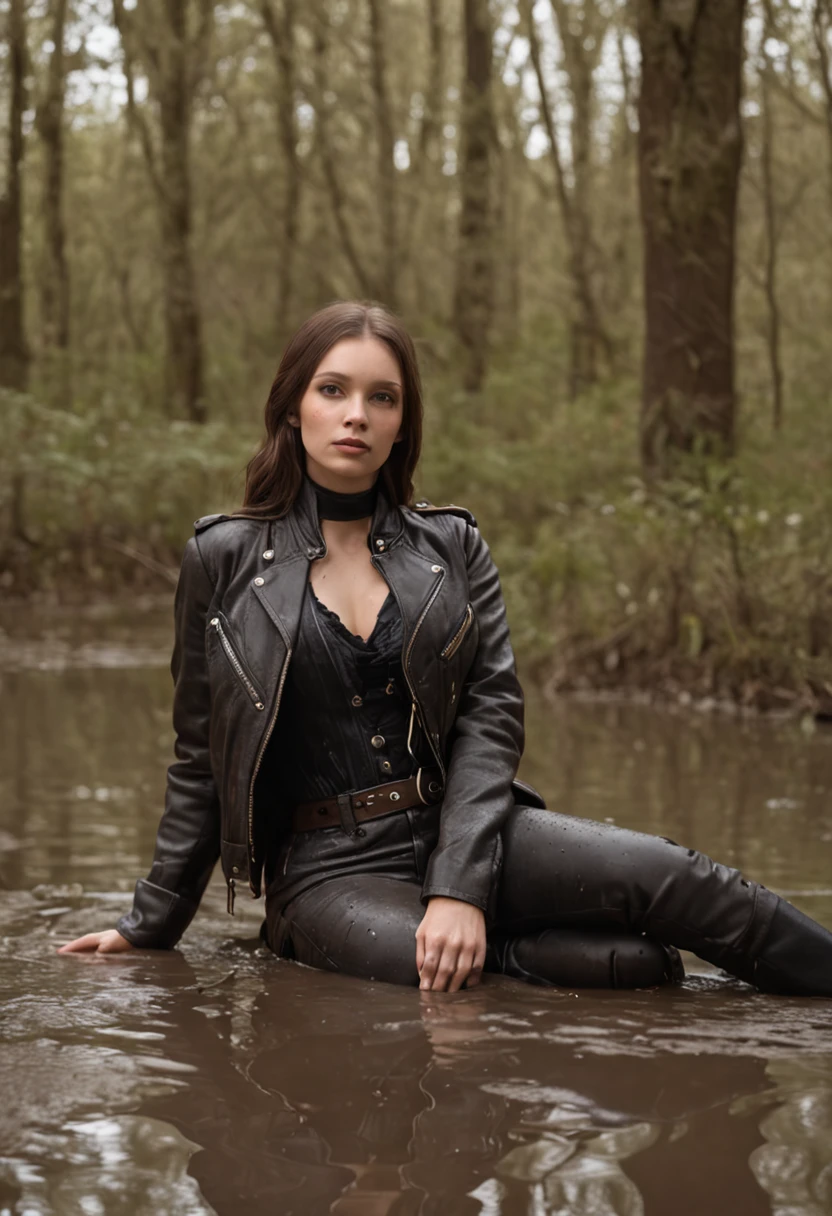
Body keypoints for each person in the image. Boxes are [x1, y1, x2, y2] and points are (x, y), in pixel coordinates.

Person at [58, 300, 832, 997]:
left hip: (463, 826)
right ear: (293, 406)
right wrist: (151, 923)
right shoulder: (222, 558)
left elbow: (492, 714)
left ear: (402, 422)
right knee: (580, 971)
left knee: (682, 879)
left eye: (381, 397)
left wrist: (459, 885)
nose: (355, 414)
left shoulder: (451, 545)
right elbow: (200, 756)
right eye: (333, 390)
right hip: (330, 872)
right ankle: (566, 963)